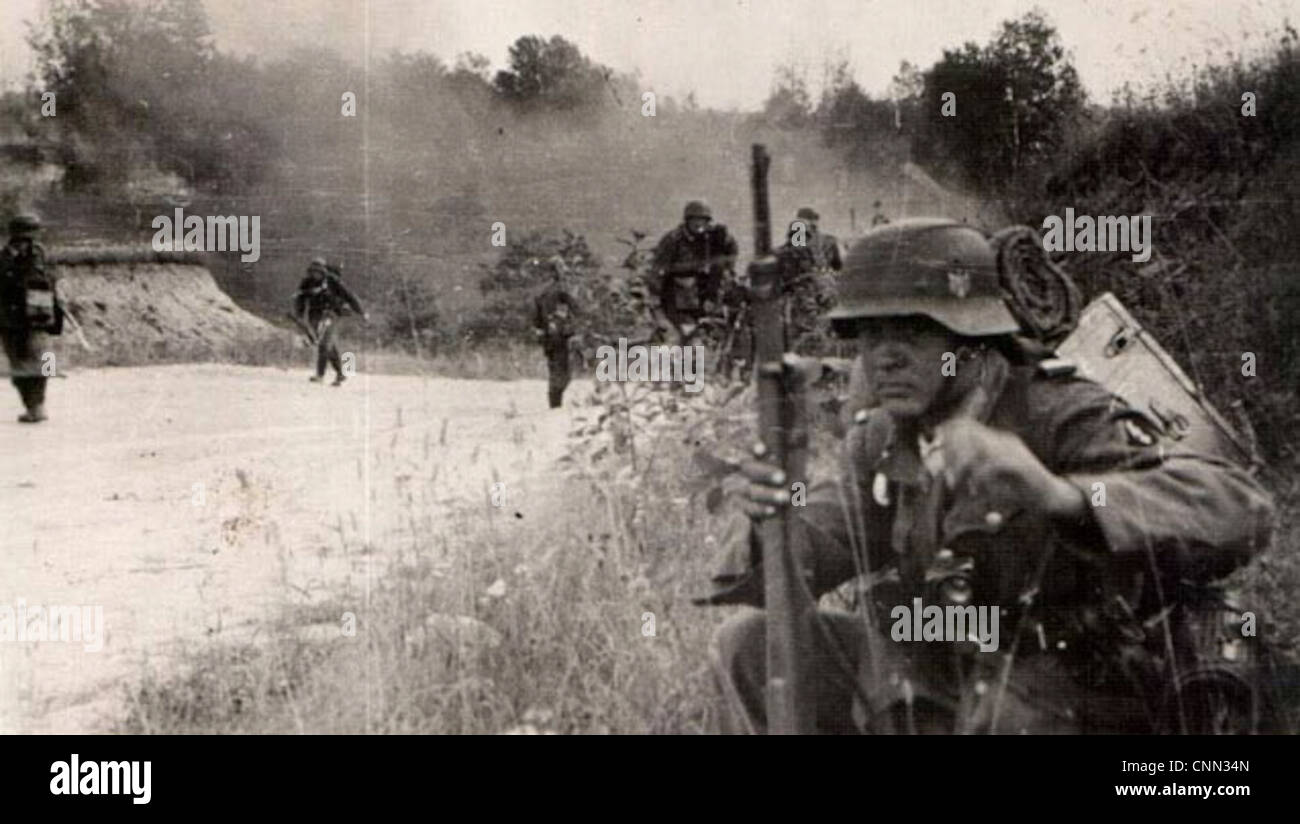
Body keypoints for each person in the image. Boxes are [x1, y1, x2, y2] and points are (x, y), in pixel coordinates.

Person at [700, 218, 1277, 734]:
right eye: (871, 334)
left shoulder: (1058, 411)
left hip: (1071, 691)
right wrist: (771, 519)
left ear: (973, 339)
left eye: (913, 331)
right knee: (750, 648)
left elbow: (1241, 506)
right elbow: (826, 534)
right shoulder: (884, 436)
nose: (885, 357)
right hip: (945, 673)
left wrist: (1062, 495)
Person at [0, 213, 61, 423]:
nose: (27, 242)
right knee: (22, 363)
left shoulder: (39, 256)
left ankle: (36, 405)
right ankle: (33, 406)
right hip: (15, 318)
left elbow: (52, 282)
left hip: (33, 318)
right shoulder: (9, 257)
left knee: (38, 362)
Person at [648, 200, 739, 342]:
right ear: (687, 221)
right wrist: (656, 301)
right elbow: (658, 270)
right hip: (678, 295)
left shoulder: (714, 237)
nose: (698, 225)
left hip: (707, 292)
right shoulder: (673, 240)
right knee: (686, 333)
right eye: (694, 220)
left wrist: (727, 266)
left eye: (703, 220)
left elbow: (730, 252)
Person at [292, 257, 367, 386]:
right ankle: (340, 373)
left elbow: (349, 296)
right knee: (328, 345)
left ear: (323, 272)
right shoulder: (306, 282)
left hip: (331, 314)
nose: (315, 274)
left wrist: (361, 312)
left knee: (324, 342)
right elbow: (300, 299)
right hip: (314, 315)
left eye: (318, 272)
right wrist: (299, 315)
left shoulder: (332, 281)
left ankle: (320, 375)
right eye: (313, 272)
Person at [532, 256, 580, 409]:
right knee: (563, 372)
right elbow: (576, 308)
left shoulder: (542, 292)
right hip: (561, 335)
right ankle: (555, 405)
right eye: (561, 268)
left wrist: (541, 333)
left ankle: (554, 404)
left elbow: (537, 319)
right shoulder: (562, 289)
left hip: (549, 336)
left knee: (556, 370)